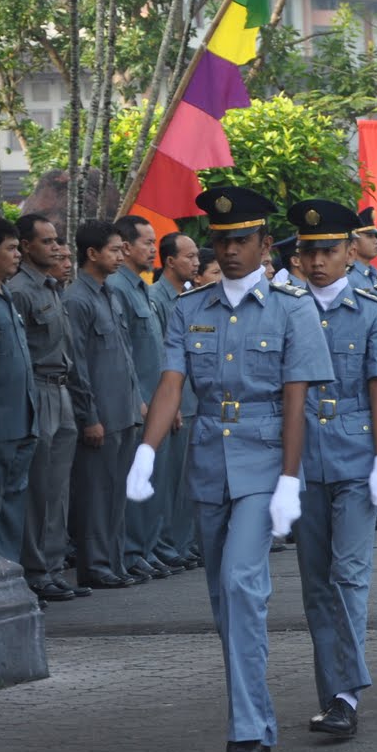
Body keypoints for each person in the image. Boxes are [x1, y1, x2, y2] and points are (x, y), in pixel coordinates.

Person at [125, 186, 334, 752]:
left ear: (265, 244)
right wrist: (147, 451)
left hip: (266, 459)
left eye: (242, 239)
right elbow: (172, 383)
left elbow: (296, 400)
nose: (232, 249)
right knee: (225, 601)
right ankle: (259, 719)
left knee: (243, 582)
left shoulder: (293, 308)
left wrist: (291, 479)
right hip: (209, 463)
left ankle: (245, 730)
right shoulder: (189, 309)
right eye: (222, 240)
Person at [283, 199, 377, 738]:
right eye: (308, 251)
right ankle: (329, 688)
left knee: (348, 576)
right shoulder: (283, 307)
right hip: (303, 455)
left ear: (350, 252)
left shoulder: (374, 310)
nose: (317, 261)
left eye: (328, 250)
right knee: (315, 585)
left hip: (355, 453)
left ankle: (346, 694)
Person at [8, 215, 89, 600]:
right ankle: (36, 571)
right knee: (39, 490)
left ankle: (53, 568)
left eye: (57, 241)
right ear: (25, 246)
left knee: (58, 491)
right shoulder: (20, 289)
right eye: (47, 241)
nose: (56, 248)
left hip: (61, 391)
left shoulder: (52, 287)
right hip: (38, 389)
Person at [64, 219, 142, 590]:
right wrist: (89, 416)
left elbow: (124, 354)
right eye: (114, 249)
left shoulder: (109, 293)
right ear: (92, 253)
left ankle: (113, 560)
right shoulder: (76, 299)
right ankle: (94, 565)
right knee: (95, 492)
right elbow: (77, 365)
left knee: (116, 491)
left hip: (123, 409)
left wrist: (137, 400)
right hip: (101, 415)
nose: (120, 255)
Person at [109, 215, 174, 581]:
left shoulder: (140, 288)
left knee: (157, 480)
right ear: (127, 245)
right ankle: (132, 551)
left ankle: (145, 549)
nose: (153, 249)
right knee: (136, 479)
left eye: (154, 243)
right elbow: (124, 354)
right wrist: (138, 397)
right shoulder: (118, 287)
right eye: (147, 243)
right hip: (140, 403)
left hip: (157, 401)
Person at [0, 215, 37, 568]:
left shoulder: (7, 296)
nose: (18, 254)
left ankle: (11, 572)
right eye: (11, 248)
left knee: (14, 503)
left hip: (23, 418)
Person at [148, 232, 203, 569]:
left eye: (198, 256)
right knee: (165, 481)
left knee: (184, 482)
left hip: (193, 401)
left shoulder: (186, 298)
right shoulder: (157, 298)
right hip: (173, 401)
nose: (196, 263)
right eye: (190, 257)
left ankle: (180, 544)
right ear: (170, 261)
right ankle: (164, 544)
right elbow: (160, 358)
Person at [346, 208, 377, 289]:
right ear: (354, 242)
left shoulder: (375, 274)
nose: (376, 241)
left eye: (375, 236)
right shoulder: (347, 277)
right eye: (369, 236)